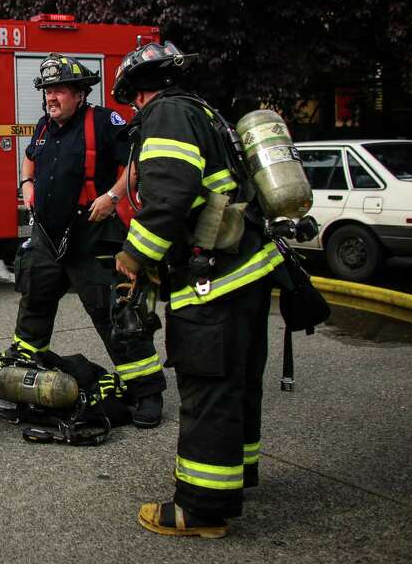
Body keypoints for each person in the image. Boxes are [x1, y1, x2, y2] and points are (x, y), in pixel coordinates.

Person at [111, 42, 284, 539]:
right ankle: (238, 475)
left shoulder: (164, 115)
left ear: (136, 93)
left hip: (214, 279)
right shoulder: (205, 112)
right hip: (249, 271)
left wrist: (134, 254)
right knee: (238, 381)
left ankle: (203, 509)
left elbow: (169, 192)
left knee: (208, 386)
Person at [9, 54, 166, 428]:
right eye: (47, 90)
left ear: (80, 93)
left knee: (115, 313)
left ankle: (146, 392)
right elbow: (29, 159)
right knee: (34, 308)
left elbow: (135, 161)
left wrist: (113, 197)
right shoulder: (45, 127)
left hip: (91, 235)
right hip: (47, 237)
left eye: (59, 89)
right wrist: (27, 184)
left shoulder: (104, 121)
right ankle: (22, 381)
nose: (51, 97)